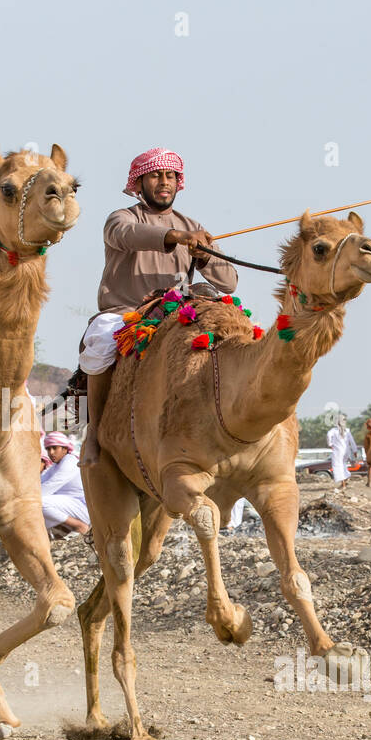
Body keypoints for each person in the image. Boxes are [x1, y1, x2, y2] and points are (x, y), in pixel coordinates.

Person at [78, 148, 238, 465]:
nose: (163, 182)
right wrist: (176, 237)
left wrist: (204, 254)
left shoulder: (193, 226)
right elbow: (126, 235)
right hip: (125, 314)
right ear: (138, 183)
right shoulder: (121, 218)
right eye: (155, 175)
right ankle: (93, 435)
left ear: (178, 182)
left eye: (170, 176)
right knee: (98, 345)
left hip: (177, 314)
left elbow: (230, 282)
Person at [40, 432, 90, 537]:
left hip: (82, 507)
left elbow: (49, 486)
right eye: (48, 449)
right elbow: (40, 482)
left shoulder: (70, 462)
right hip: (70, 504)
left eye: (54, 448)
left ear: (65, 449)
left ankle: (80, 525)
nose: (51, 452)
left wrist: (26, 499)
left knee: (39, 503)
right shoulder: (55, 466)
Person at [326, 414, 360, 490]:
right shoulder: (347, 431)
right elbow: (352, 441)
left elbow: (328, 435)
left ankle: (343, 484)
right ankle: (346, 478)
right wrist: (355, 451)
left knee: (338, 466)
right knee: (343, 465)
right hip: (346, 452)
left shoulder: (333, 431)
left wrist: (330, 444)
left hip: (338, 452)